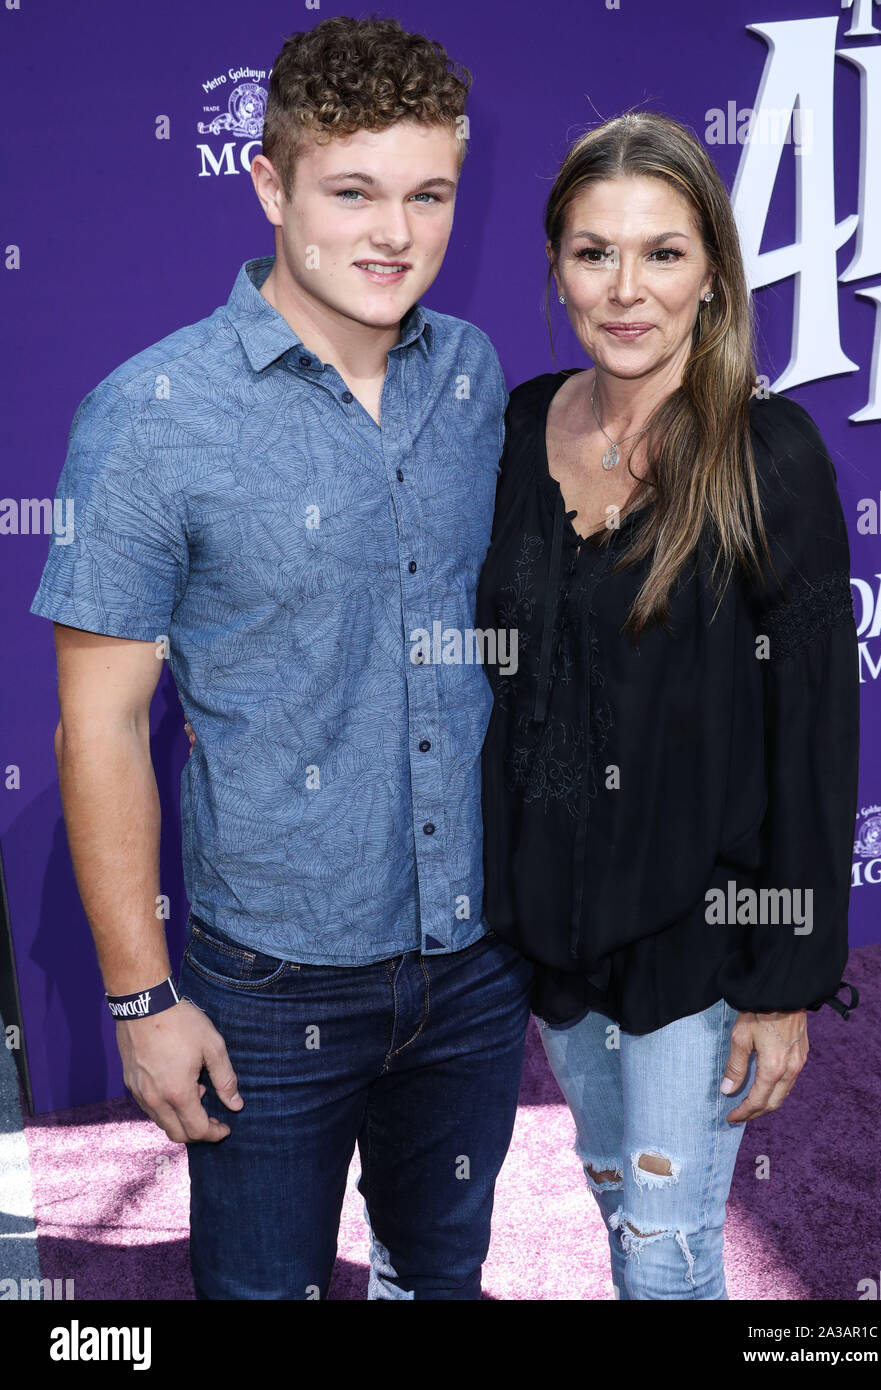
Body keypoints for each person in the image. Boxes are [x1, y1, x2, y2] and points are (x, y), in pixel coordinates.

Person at [29, 16, 533, 1301]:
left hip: (473, 969)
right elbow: (95, 729)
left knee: (444, 1278)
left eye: (428, 194)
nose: (393, 232)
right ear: (268, 185)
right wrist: (143, 1002)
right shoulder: (150, 418)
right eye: (351, 191)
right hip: (267, 984)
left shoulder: (474, 377)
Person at [475, 110, 860, 1300]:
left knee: (666, 1247)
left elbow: (812, 736)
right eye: (594, 252)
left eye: (662, 253)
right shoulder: (515, 428)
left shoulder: (768, 454)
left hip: (698, 934)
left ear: (713, 275)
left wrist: (785, 981)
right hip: (551, 922)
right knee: (611, 1192)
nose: (625, 289)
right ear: (555, 265)